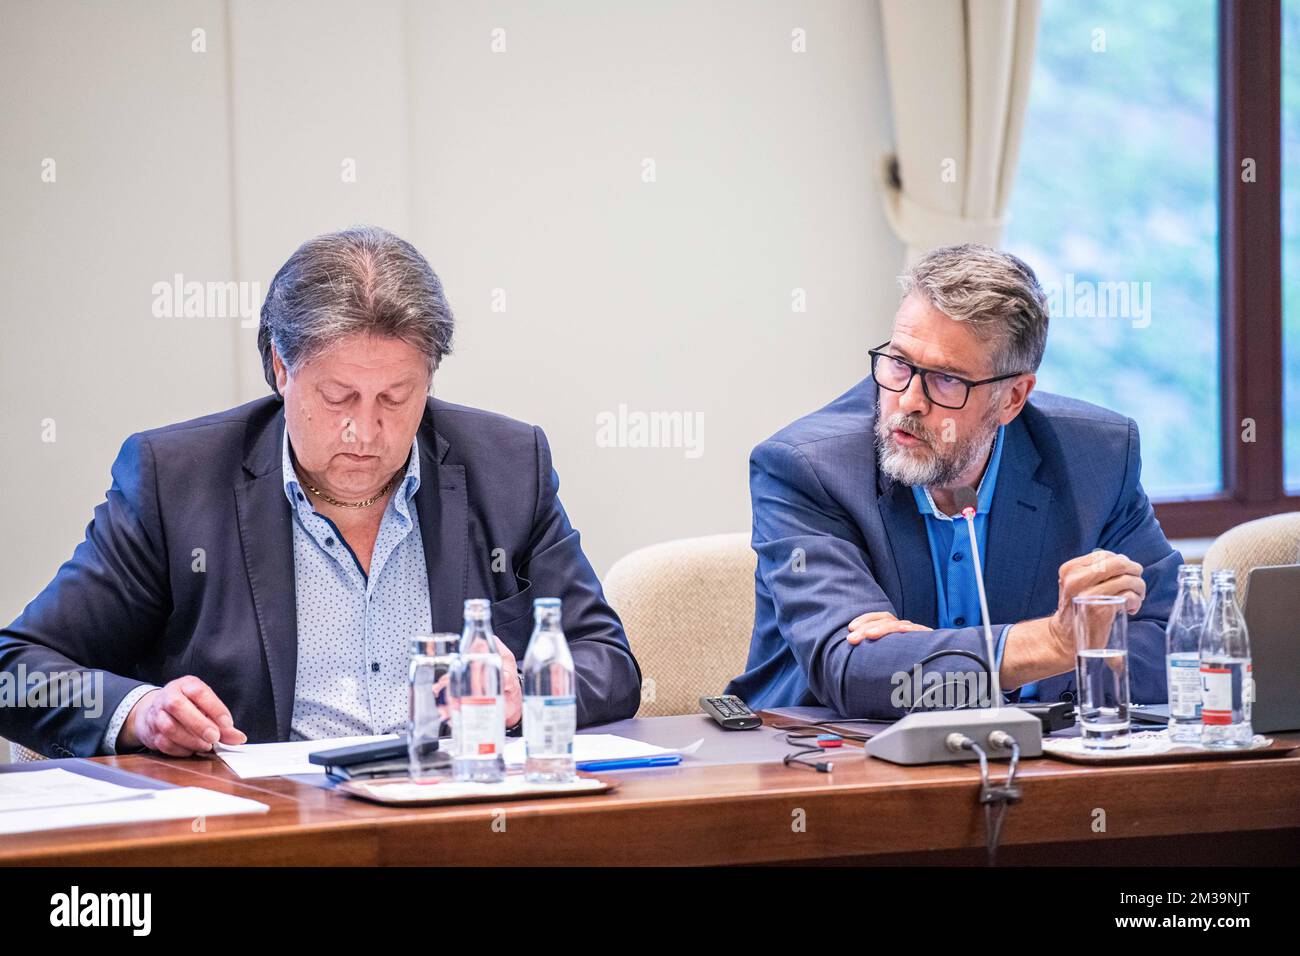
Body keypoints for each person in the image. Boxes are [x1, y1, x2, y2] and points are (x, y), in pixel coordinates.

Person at [0, 226, 640, 757]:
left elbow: (608, 662)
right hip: (270, 835)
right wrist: (141, 713)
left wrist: (523, 691)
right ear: (281, 368)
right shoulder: (176, 481)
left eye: (396, 397)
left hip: (463, 825)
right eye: (338, 398)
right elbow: (18, 671)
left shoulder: (507, 466)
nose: (366, 430)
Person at [727, 243, 1180, 717]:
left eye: (946, 379)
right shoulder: (806, 467)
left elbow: (1171, 645)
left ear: (1013, 398)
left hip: (1031, 765)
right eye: (899, 363)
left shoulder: (1097, 458)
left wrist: (960, 663)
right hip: (826, 762)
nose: (908, 401)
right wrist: (1052, 641)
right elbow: (855, 668)